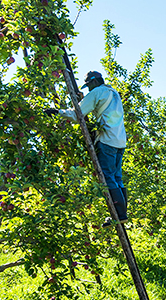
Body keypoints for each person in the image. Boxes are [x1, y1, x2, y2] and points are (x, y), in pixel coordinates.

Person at [53, 70, 128, 222]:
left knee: (107, 177)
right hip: (120, 141)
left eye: (88, 86)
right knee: (117, 178)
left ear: (94, 82)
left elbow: (76, 114)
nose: (88, 89)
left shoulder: (96, 93)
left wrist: (57, 112)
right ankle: (122, 214)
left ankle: (119, 214)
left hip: (107, 140)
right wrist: (85, 99)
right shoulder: (113, 92)